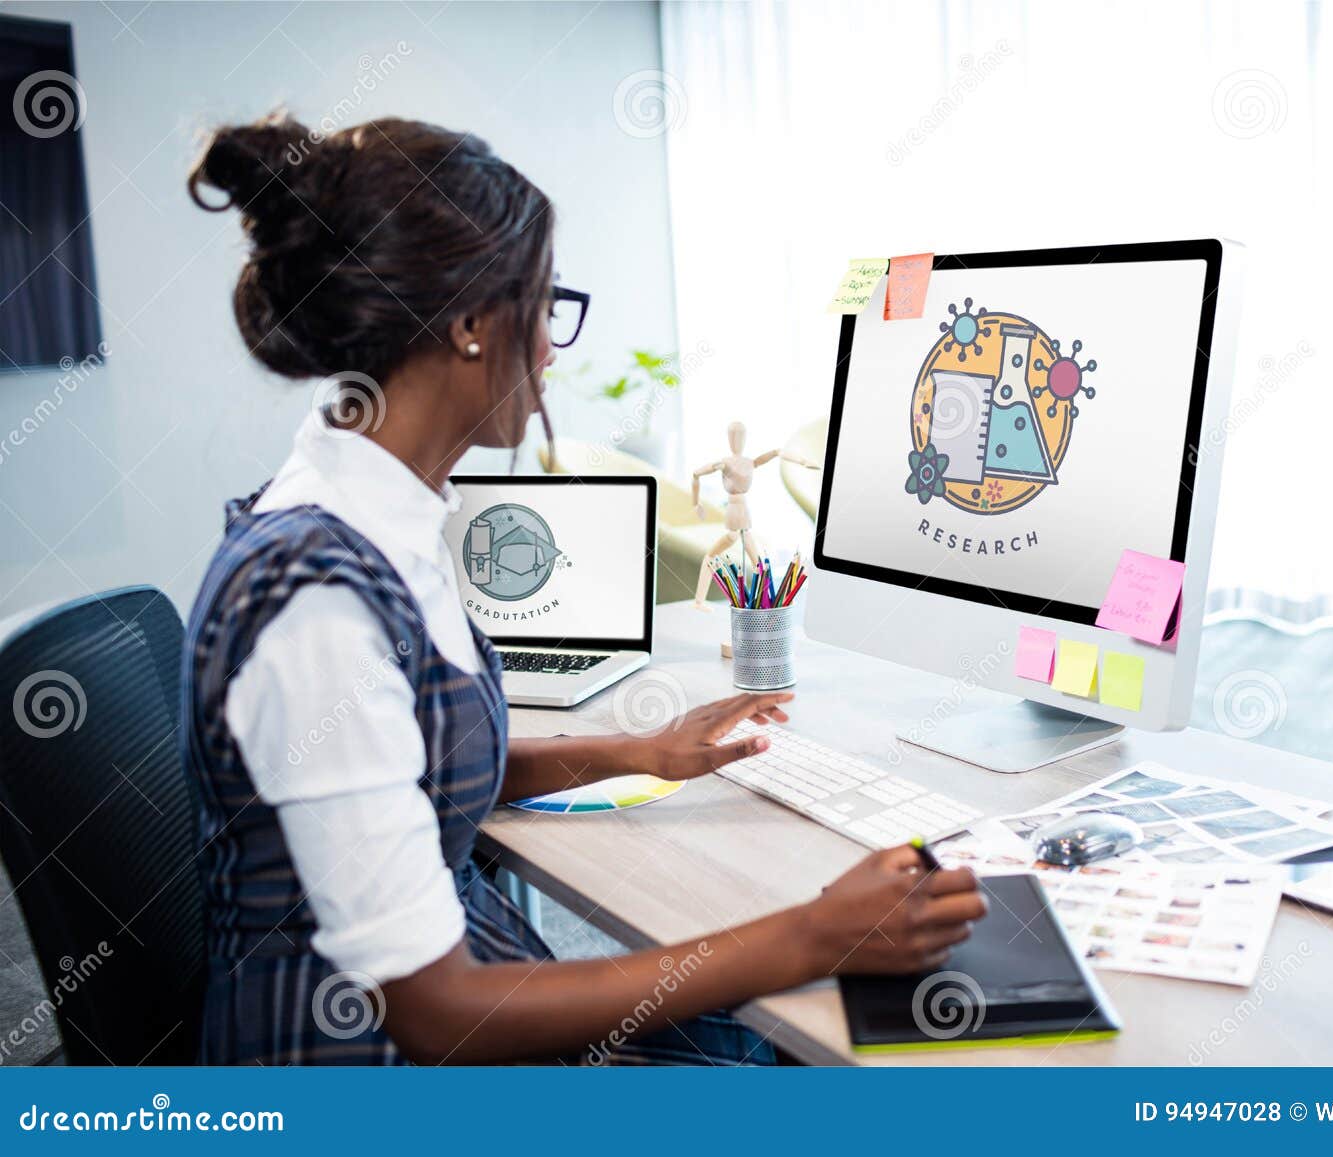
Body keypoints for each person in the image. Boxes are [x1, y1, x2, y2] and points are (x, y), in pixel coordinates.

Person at [180, 113, 984, 1066]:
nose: (554, 352)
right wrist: (813, 933)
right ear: (472, 325)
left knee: (817, 1034)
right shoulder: (313, 601)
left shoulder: (374, 510)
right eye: (544, 303)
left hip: (471, 983)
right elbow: (438, 1014)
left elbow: (413, 765)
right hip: (376, 1062)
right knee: (839, 1050)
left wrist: (639, 750)